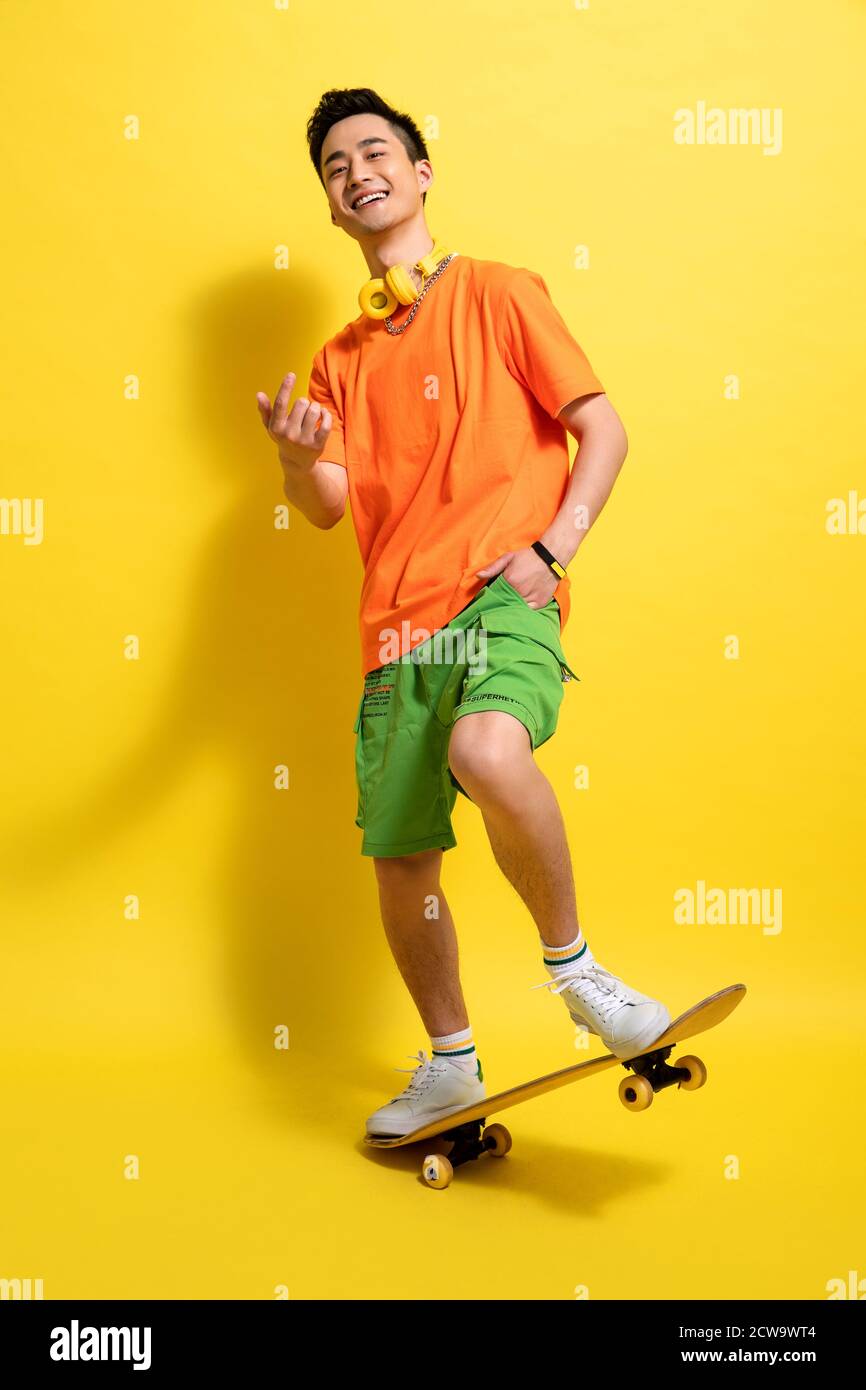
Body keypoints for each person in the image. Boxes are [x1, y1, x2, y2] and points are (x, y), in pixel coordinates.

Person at [256, 87, 670, 1138]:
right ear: (331, 207)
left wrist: (553, 546)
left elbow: (601, 426)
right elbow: (325, 509)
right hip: (394, 629)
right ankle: (449, 1064)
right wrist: (295, 460)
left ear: (420, 171)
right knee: (403, 858)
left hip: (499, 596)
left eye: (376, 151)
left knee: (491, 752)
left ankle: (575, 973)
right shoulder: (339, 360)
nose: (357, 171)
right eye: (336, 167)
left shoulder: (498, 291)